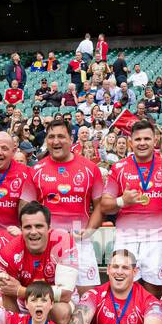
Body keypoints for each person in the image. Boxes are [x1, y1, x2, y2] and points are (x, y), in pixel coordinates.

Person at [20, 119, 104, 290]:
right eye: (51, 137)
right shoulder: (36, 170)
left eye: (61, 136)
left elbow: (100, 206)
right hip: (47, 244)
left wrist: (88, 232)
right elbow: (24, 208)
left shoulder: (90, 168)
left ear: (71, 139)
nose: (56, 141)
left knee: (86, 298)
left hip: (80, 243)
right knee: (50, 300)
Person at [101, 120, 162, 296]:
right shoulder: (119, 168)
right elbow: (104, 205)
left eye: (147, 138)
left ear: (155, 140)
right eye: (138, 139)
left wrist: (157, 217)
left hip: (157, 238)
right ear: (131, 142)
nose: (142, 143)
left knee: (154, 291)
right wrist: (122, 201)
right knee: (124, 289)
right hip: (126, 238)